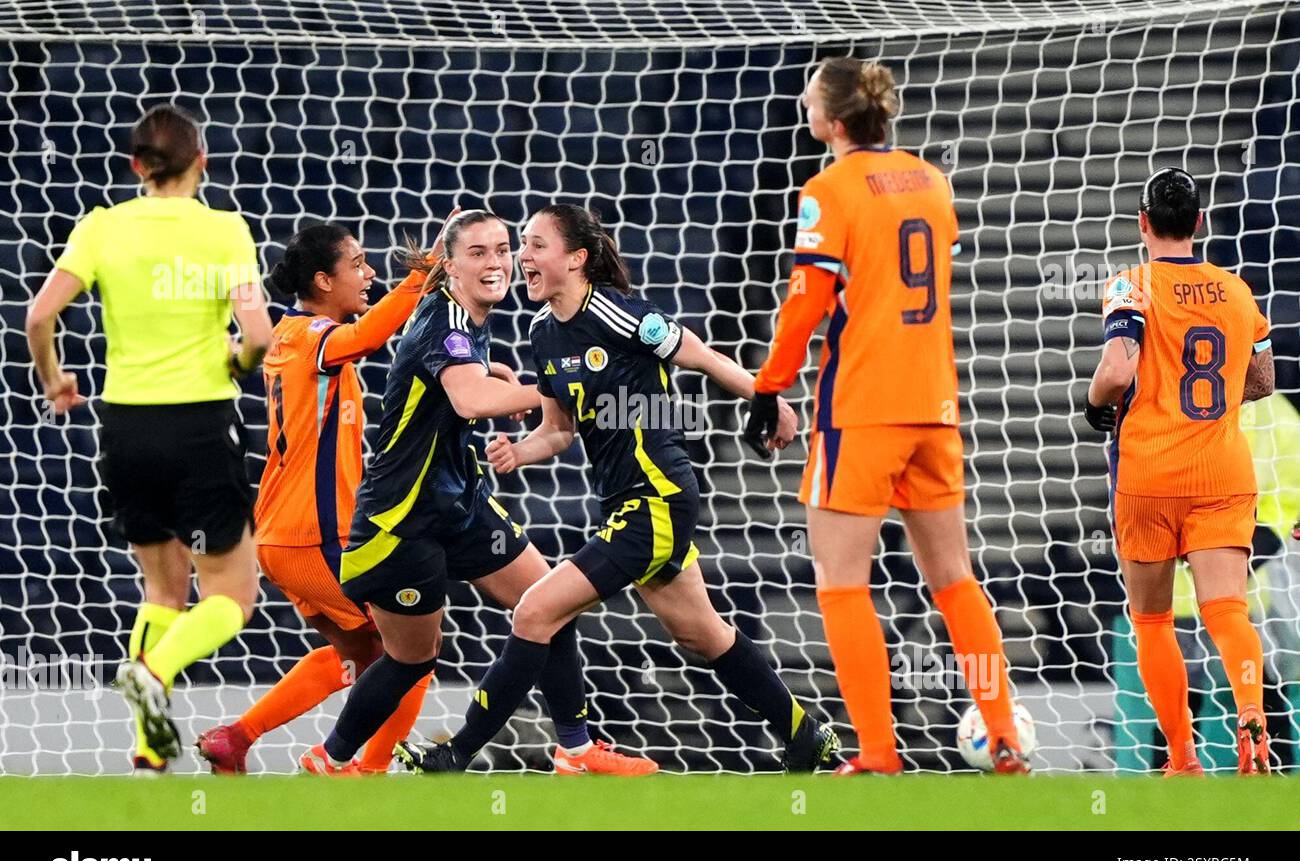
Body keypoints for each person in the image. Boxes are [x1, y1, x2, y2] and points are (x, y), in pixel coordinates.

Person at [395, 204, 839, 775]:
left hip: (656, 497)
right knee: (701, 633)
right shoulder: (541, 332)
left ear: (576, 259)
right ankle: (804, 734)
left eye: (532, 246)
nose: (520, 258)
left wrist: (768, 399)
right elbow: (558, 430)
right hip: (626, 502)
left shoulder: (615, 312)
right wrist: (518, 450)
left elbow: (699, 355)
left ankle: (458, 751)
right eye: (520, 247)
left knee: (534, 612)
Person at [741, 57, 1029, 775]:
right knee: (956, 578)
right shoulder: (932, 182)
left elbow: (808, 301)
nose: (803, 108)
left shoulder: (827, 189)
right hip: (933, 403)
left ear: (833, 122)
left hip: (861, 406)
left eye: (810, 100)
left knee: (842, 581)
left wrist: (768, 385)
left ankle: (877, 751)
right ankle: (1004, 735)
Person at [300, 209, 658, 777]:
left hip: (460, 504)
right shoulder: (443, 318)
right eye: (478, 253)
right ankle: (329, 757)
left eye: (502, 250)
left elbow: (462, 371)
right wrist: (549, 388)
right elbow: (466, 398)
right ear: (450, 266)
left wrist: (505, 375)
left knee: (550, 605)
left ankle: (576, 748)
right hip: (402, 518)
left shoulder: (464, 319)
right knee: (412, 657)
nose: (496, 263)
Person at [24, 103, 272, 771]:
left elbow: (39, 313)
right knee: (231, 595)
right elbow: (259, 336)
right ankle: (154, 669)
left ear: (136, 166)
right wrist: (238, 362)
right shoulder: (224, 230)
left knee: (163, 590)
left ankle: (146, 745)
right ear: (204, 163)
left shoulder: (103, 226)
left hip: (126, 427)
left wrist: (54, 381)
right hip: (200, 425)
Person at [195, 222, 439, 773]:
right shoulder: (313, 339)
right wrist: (420, 279)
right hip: (316, 533)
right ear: (324, 280)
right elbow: (369, 337)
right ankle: (366, 772)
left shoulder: (294, 337)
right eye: (358, 263)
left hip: (287, 534)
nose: (370, 272)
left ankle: (236, 738)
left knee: (359, 659)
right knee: (413, 654)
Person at [1084, 166, 1274, 775]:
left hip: (1150, 475)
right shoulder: (1241, 293)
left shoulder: (1130, 285)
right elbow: (1264, 381)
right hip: (1222, 471)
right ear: (1199, 223)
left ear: (1143, 223)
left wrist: (1095, 406)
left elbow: (1117, 367)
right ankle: (1254, 735)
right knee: (1227, 613)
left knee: (1153, 618)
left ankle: (1182, 757)